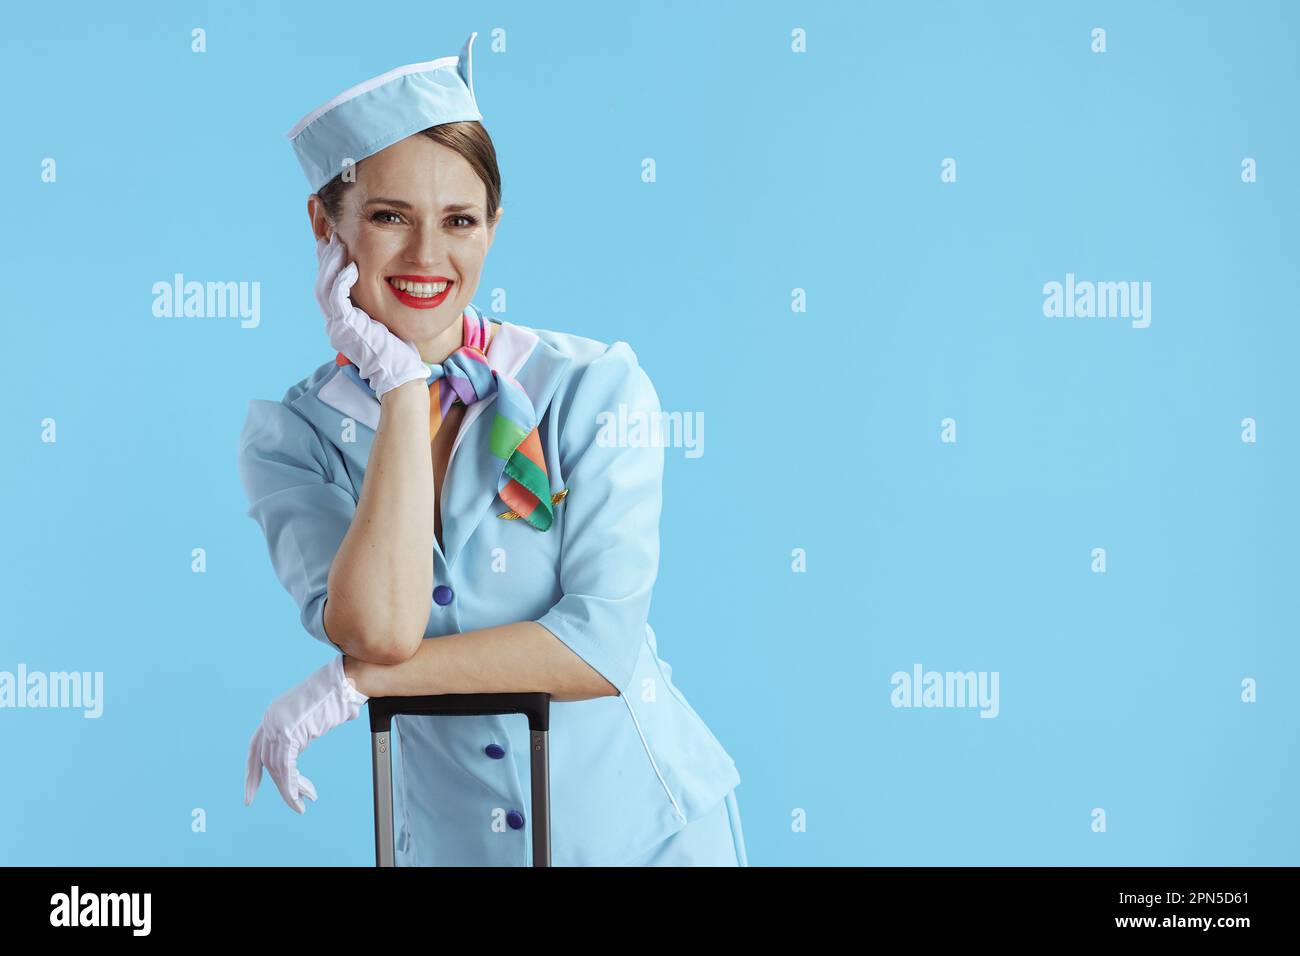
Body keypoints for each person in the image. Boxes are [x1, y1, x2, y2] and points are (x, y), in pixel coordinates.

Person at [237, 32, 747, 866]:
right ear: (327, 229)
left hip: (649, 837)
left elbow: (595, 647)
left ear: (493, 226)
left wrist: (352, 684)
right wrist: (401, 387)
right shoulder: (292, 439)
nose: (428, 257)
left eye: (460, 220)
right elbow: (379, 626)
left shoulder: (590, 387)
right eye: (389, 216)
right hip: (455, 846)